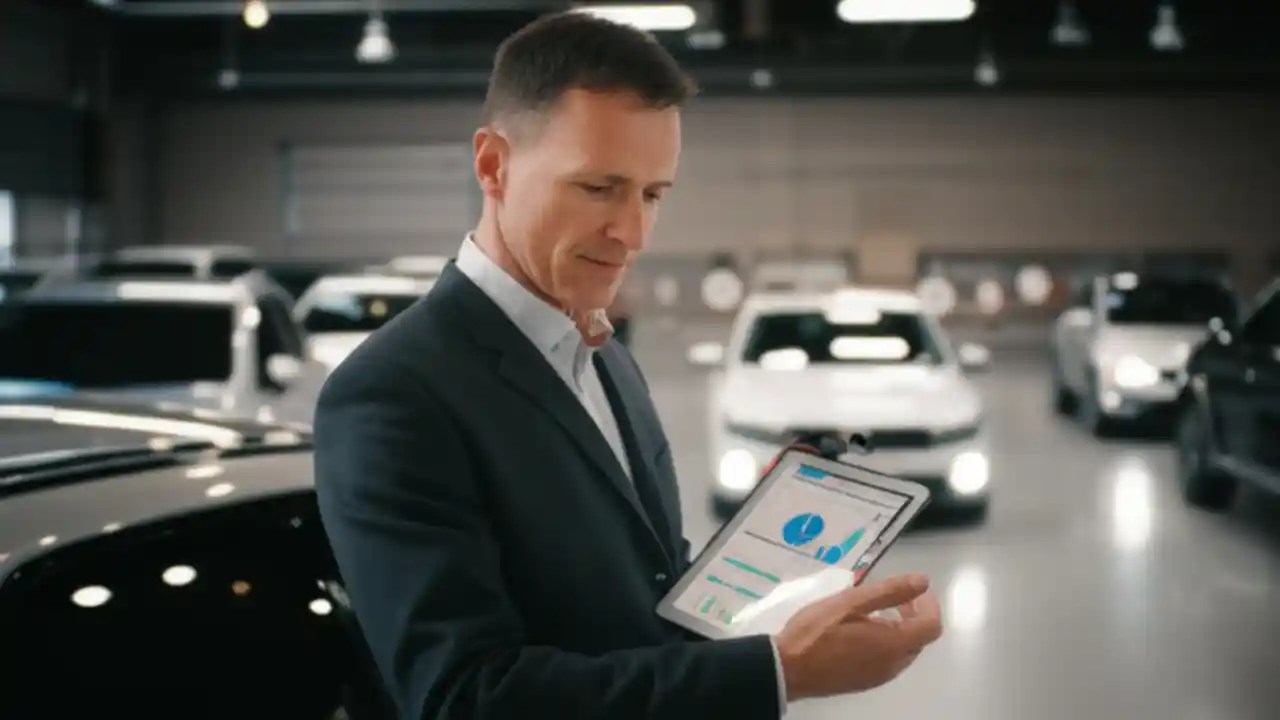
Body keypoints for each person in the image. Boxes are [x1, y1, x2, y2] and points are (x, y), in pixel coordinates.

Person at [313, 11, 943, 720]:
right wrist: (776, 672)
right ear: (493, 165)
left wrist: (776, 597)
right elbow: (466, 697)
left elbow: (651, 599)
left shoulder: (610, 359)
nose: (633, 233)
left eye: (652, 195)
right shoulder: (392, 395)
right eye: (597, 188)